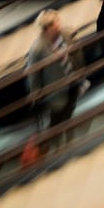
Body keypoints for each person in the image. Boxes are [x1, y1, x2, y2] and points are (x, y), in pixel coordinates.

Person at [25, 10, 83, 144]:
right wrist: (36, 94)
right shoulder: (38, 48)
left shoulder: (64, 34)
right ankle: (56, 145)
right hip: (55, 90)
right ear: (47, 28)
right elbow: (33, 74)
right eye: (56, 23)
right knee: (56, 119)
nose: (59, 25)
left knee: (69, 112)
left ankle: (69, 142)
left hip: (71, 82)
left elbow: (76, 50)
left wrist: (80, 71)